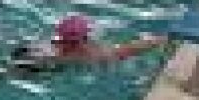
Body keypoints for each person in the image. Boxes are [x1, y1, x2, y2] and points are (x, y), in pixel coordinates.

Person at [11, 14, 168, 71]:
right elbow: (129, 50)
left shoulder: (47, 44)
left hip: (36, 58)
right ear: (84, 38)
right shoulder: (90, 55)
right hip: (44, 64)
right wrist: (160, 40)